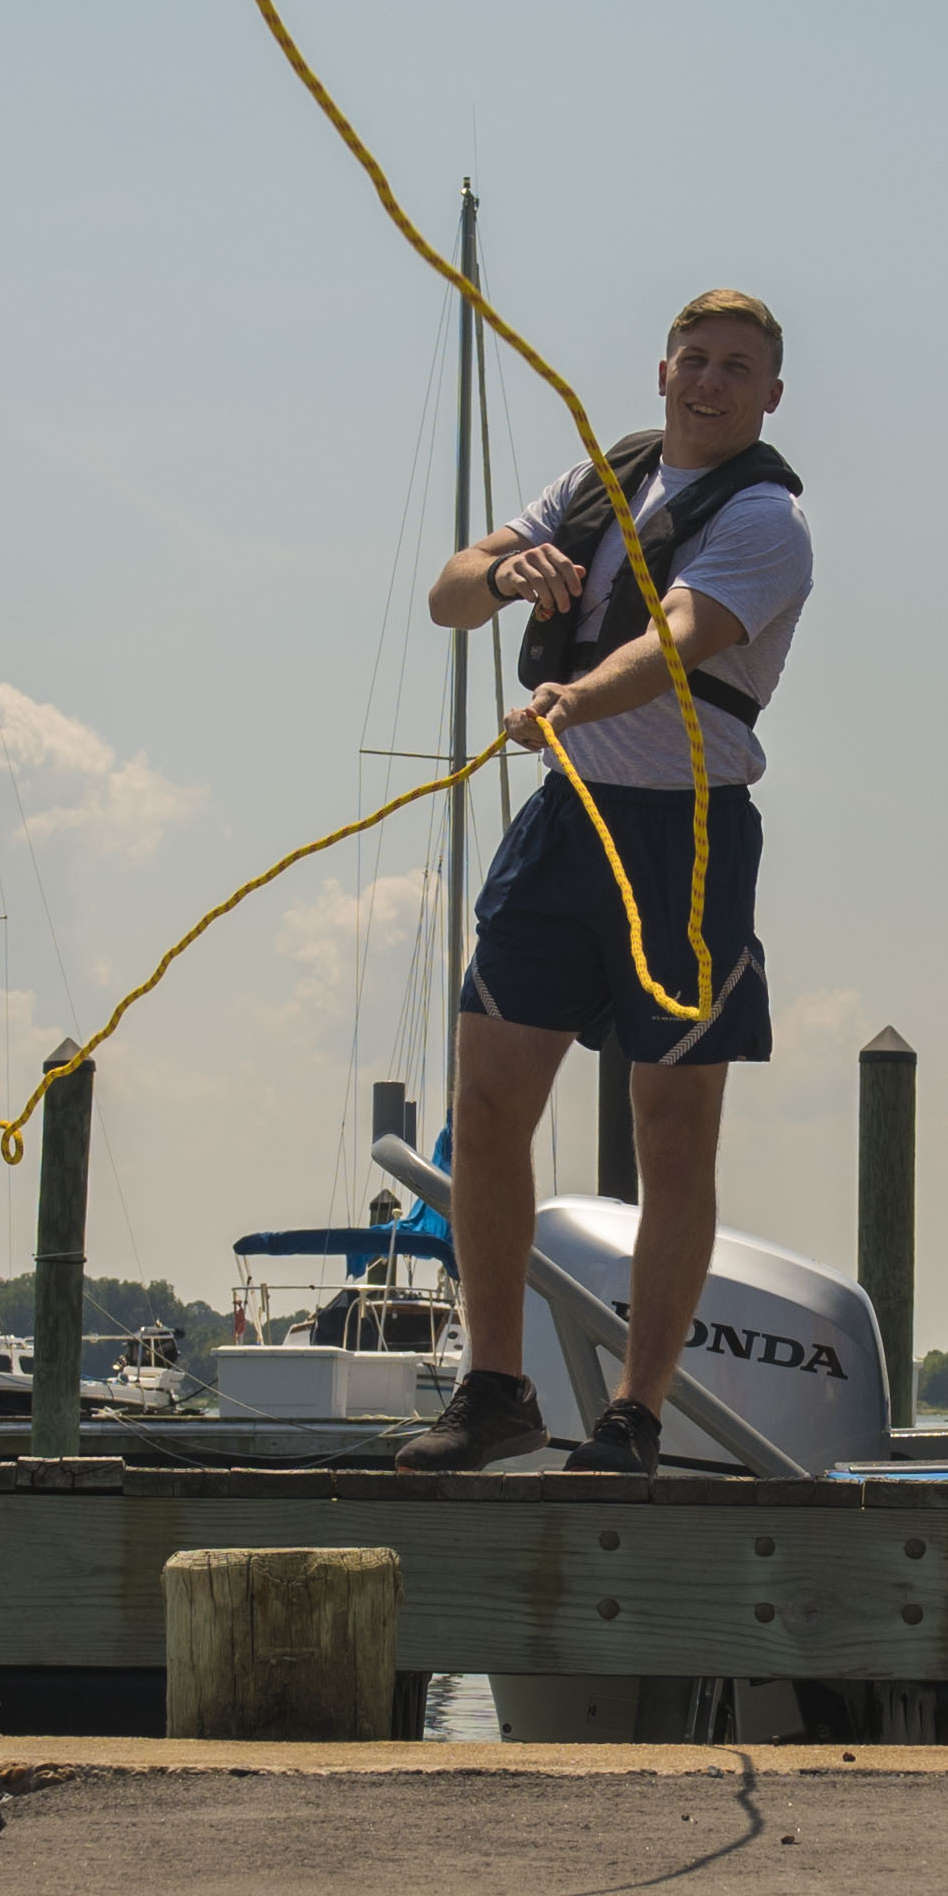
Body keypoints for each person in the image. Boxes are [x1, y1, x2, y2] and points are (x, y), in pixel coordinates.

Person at [397, 290, 813, 1476]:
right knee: (487, 1105)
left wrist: (573, 698)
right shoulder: (600, 482)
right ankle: (495, 1389)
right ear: (664, 368)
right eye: (696, 360)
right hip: (562, 828)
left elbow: (677, 635)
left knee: (669, 1131)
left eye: (739, 368)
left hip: (683, 839)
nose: (711, 382)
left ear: (770, 393)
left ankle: (635, 1411)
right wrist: (503, 572)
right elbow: (449, 592)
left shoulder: (769, 520)